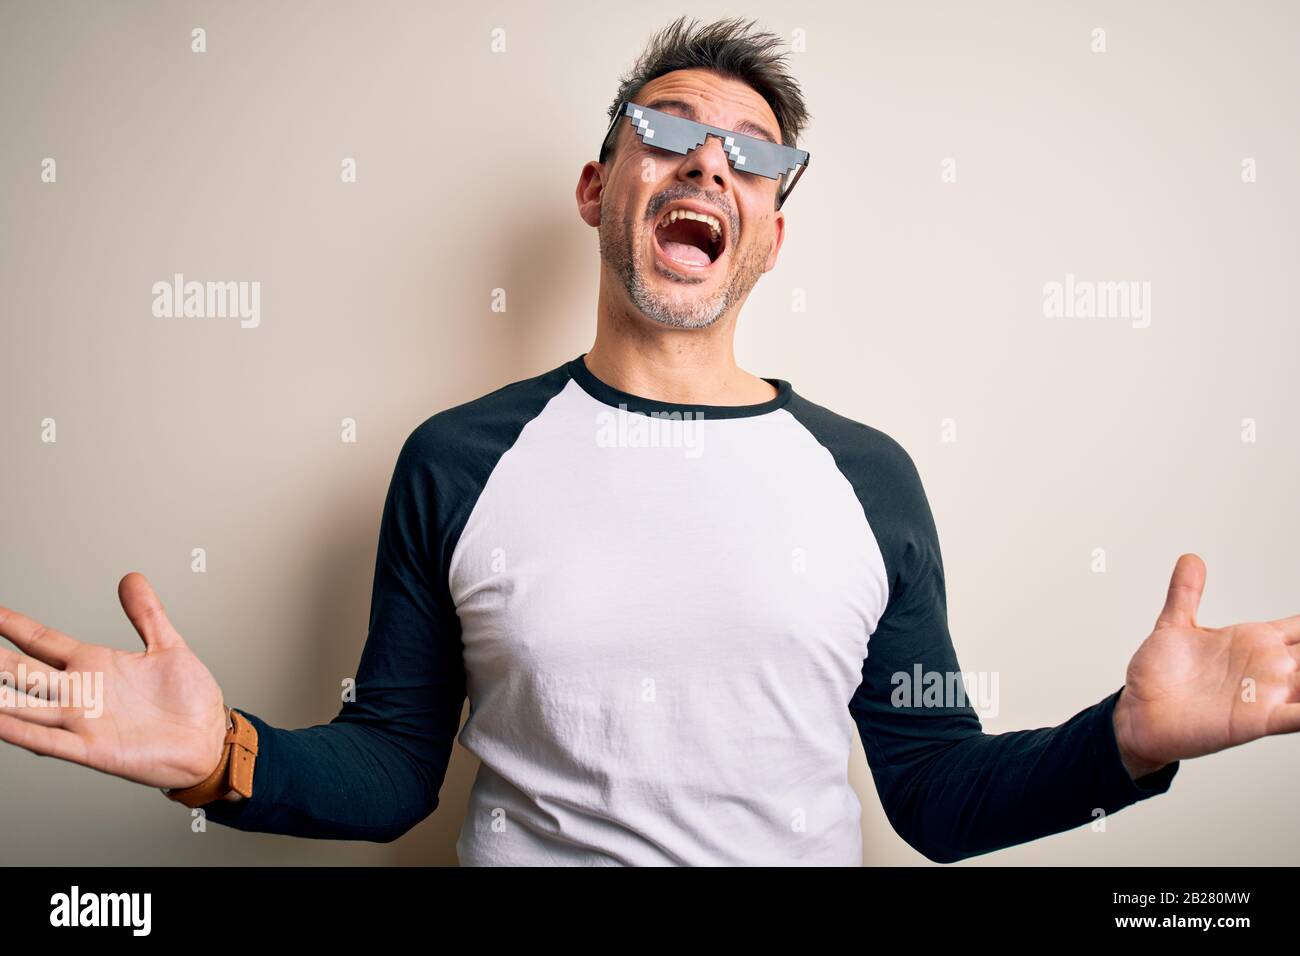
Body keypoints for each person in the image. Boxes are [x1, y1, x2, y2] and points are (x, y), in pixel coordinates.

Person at [2, 16, 1298, 866]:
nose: (707, 168)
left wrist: (1126, 744)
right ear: (597, 187)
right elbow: (396, 769)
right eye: (667, 134)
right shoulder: (455, 461)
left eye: (750, 156)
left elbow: (936, 793)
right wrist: (223, 755)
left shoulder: (870, 478)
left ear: (773, 232)